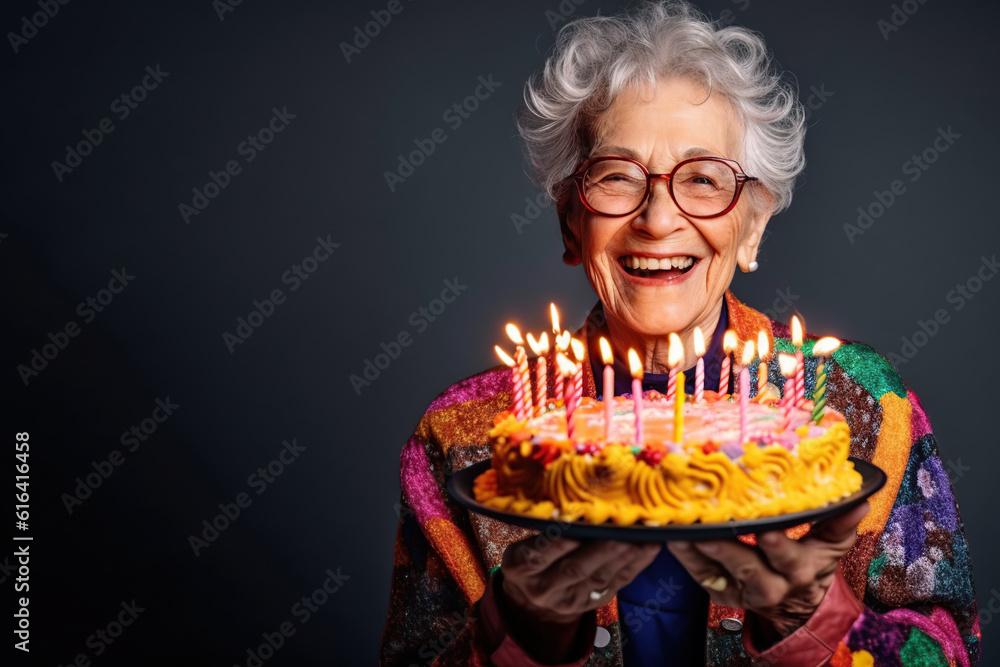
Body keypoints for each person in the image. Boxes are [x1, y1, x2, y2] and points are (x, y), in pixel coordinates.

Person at [379, 2, 981, 665]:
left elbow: (949, 652)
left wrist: (816, 627)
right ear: (571, 223)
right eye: (616, 177)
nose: (658, 219)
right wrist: (521, 636)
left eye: (703, 179)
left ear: (752, 227)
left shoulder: (861, 406)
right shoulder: (464, 439)